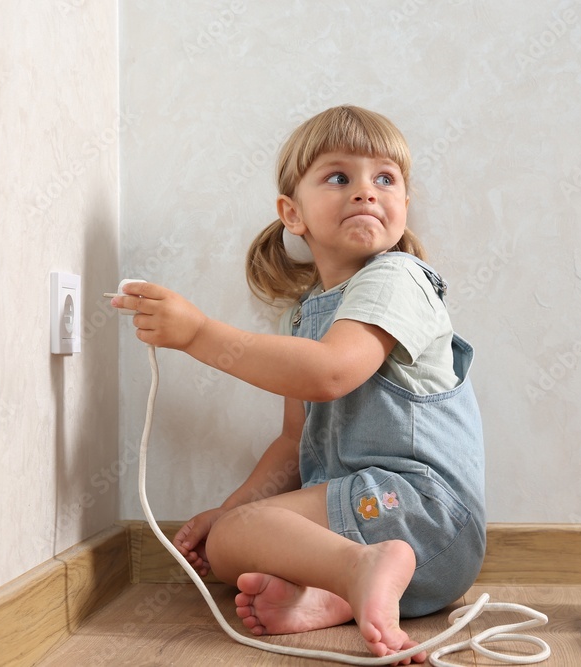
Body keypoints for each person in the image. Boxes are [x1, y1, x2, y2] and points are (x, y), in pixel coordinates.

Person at [111, 105, 485, 664]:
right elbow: (293, 443)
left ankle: (360, 569)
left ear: (404, 206)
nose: (366, 191)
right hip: (399, 552)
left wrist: (199, 335)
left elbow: (331, 373)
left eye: (385, 178)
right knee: (230, 541)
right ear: (293, 213)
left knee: (239, 537)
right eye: (340, 177)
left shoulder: (397, 278)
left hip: (422, 514)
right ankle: (340, 592)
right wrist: (230, 509)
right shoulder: (308, 315)